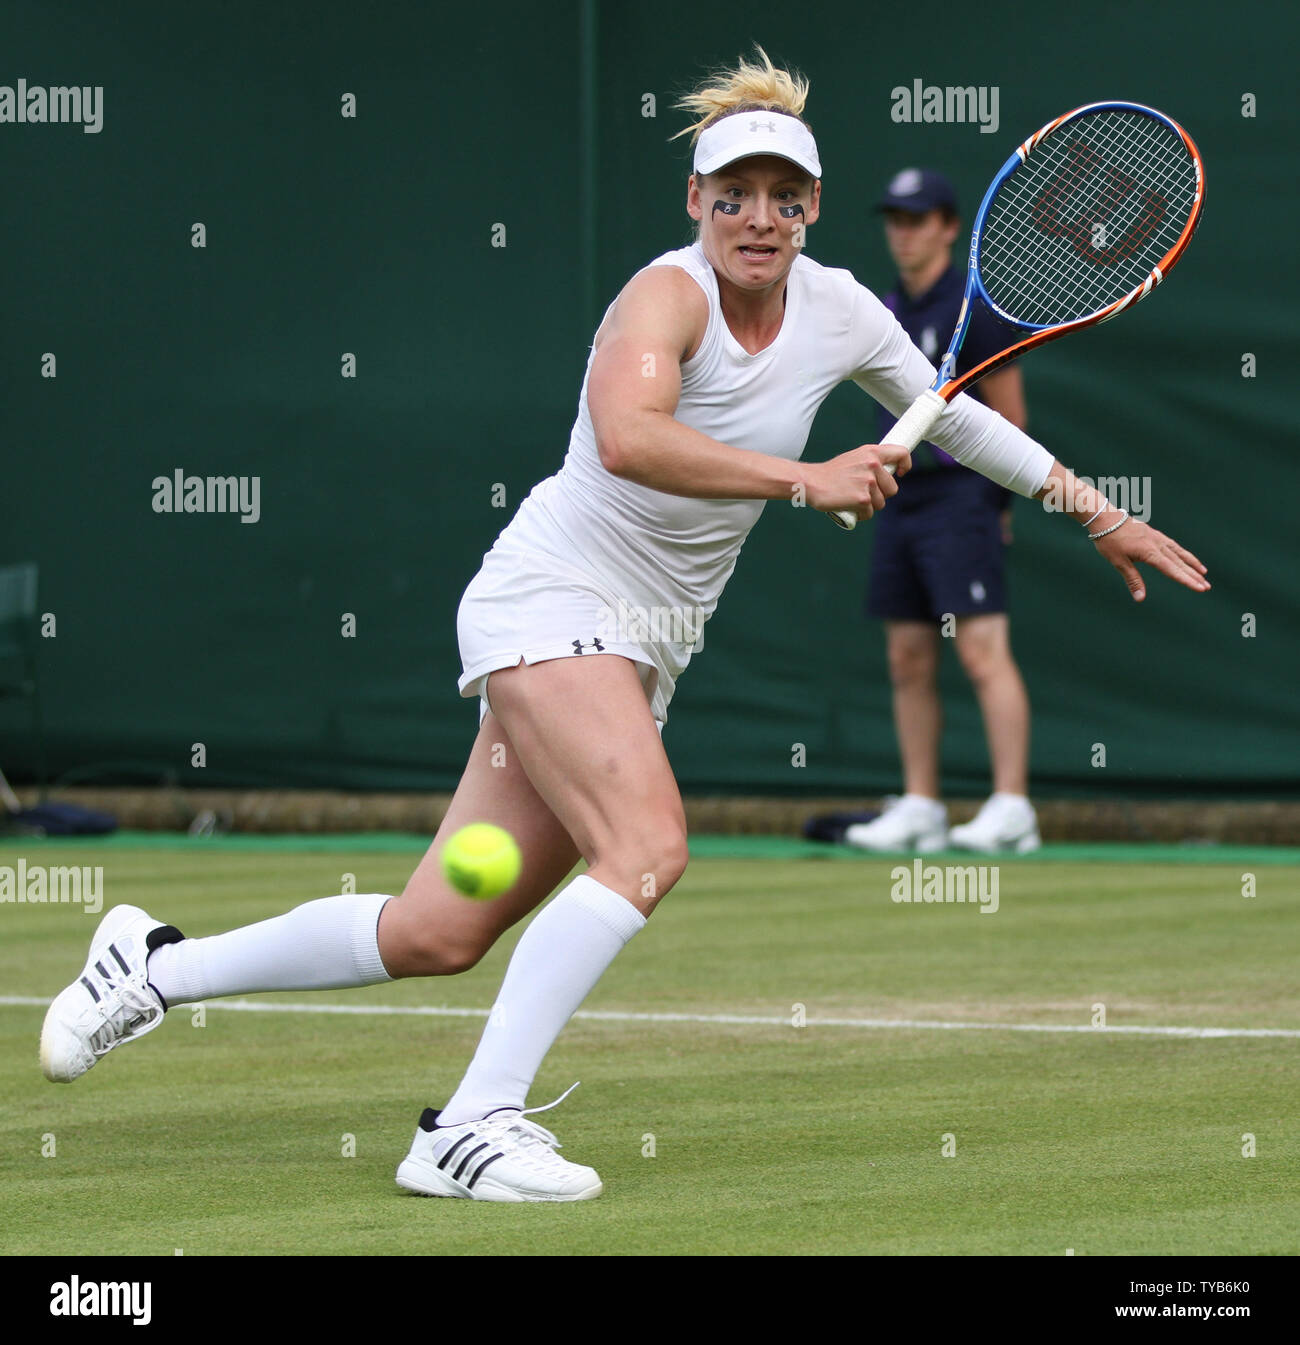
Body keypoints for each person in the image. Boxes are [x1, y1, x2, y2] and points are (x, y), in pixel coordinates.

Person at [38, 46, 1210, 1203]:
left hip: (637, 646)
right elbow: (626, 436)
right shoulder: (665, 294)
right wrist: (804, 479)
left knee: (436, 927)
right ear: (695, 201)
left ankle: (151, 966)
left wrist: (1096, 511)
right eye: (734, 195)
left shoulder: (843, 310)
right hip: (550, 600)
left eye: (783, 199)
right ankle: (470, 1123)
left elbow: (950, 419)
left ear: (809, 210)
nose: (759, 218)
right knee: (647, 846)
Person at [846, 169, 1037, 855]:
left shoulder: (976, 307)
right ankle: (922, 804)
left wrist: (995, 504)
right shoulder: (886, 311)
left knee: (984, 653)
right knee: (907, 658)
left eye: (919, 218)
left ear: (950, 227)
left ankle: (1013, 807)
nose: (904, 232)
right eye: (895, 218)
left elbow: (1011, 420)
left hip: (964, 498)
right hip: (902, 499)